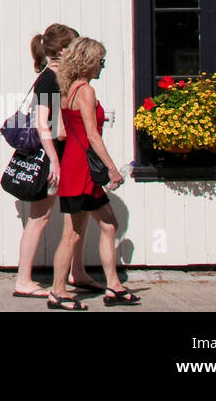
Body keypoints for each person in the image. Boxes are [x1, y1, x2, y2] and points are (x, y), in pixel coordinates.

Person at [47, 37, 141, 309]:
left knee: (109, 223)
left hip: (77, 167)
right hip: (82, 171)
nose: (102, 65)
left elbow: (64, 133)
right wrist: (112, 169)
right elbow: (92, 136)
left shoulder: (67, 91)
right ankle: (57, 291)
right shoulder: (86, 91)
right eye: (101, 60)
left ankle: (114, 285)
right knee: (72, 235)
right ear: (88, 61)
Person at [13, 24, 101, 298]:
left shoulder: (60, 77)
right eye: (73, 46)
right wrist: (54, 161)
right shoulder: (49, 79)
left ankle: (78, 271)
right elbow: (43, 124)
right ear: (62, 50)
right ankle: (23, 279)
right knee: (40, 216)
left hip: (64, 156)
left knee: (76, 215)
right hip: (51, 158)